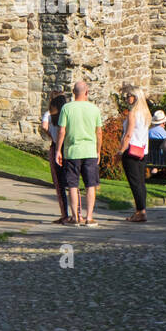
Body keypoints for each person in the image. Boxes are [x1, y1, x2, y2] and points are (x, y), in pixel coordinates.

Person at [55, 80, 103, 227]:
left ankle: (75, 217)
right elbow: (99, 132)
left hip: (72, 151)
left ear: (73, 92)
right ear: (86, 92)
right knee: (90, 185)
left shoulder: (66, 108)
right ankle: (89, 217)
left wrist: (58, 150)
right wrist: (98, 150)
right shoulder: (94, 109)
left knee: (73, 186)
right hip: (89, 150)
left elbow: (62, 130)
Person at [118, 84, 152, 222]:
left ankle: (140, 211)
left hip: (131, 150)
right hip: (142, 151)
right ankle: (141, 209)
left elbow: (128, 135)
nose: (127, 99)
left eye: (129, 96)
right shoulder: (146, 114)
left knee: (134, 182)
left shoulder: (133, 114)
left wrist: (120, 151)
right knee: (141, 182)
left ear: (135, 97)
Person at [40, 92, 69, 223]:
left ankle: (64, 214)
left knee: (59, 184)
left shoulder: (49, 114)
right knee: (73, 183)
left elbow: (44, 126)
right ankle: (77, 214)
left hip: (55, 146)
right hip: (68, 147)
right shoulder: (67, 113)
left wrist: (50, 134)